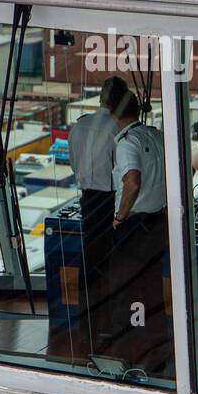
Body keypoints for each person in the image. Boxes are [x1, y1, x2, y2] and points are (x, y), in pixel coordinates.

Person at [105, 90, 169, 370]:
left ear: (114, 114)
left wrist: (120, 216)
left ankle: (121, 358)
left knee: (123, 291)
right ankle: (155, 355)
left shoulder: (126, 143)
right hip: (158, 222)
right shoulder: (157, 136)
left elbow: (132, 181)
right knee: (151, 292)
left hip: (133, 226)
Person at [67, 76, 128, 354]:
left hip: (88, 200)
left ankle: (87, 327)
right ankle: (112, 326)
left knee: (89, 264)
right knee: (113, 263)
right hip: (109, 201)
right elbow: (125, 172)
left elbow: (72, 163)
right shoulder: (118, 130)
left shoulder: (79, 126)